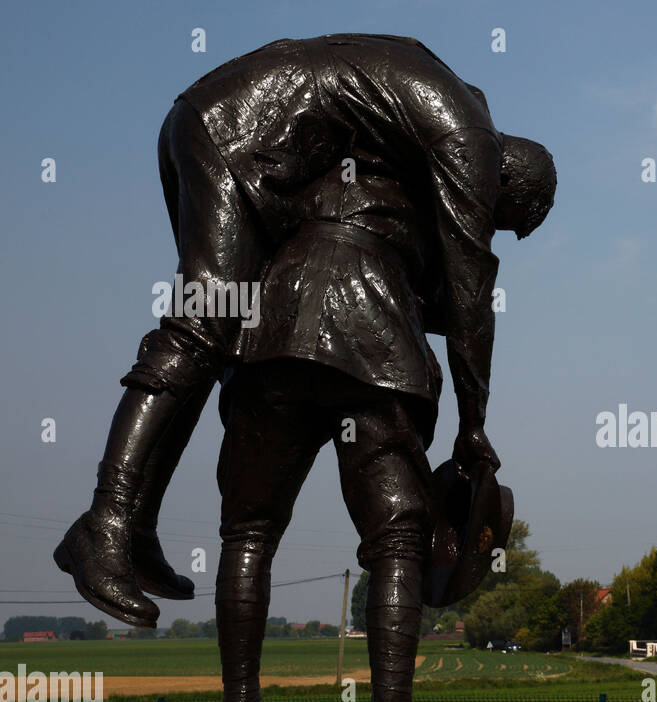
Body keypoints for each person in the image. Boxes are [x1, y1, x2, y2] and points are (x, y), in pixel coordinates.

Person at [55, 34, 557, 632]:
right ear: (505, 184)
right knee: (198, 327)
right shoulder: (470, 144)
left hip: (232, 133)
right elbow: (472, 292)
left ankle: (134, 526)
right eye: (504, 222)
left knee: (214, 339)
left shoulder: (431, 127)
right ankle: (104, 520)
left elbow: (424, 280)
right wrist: (473, 425)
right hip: (238, 129)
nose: (488, 228)